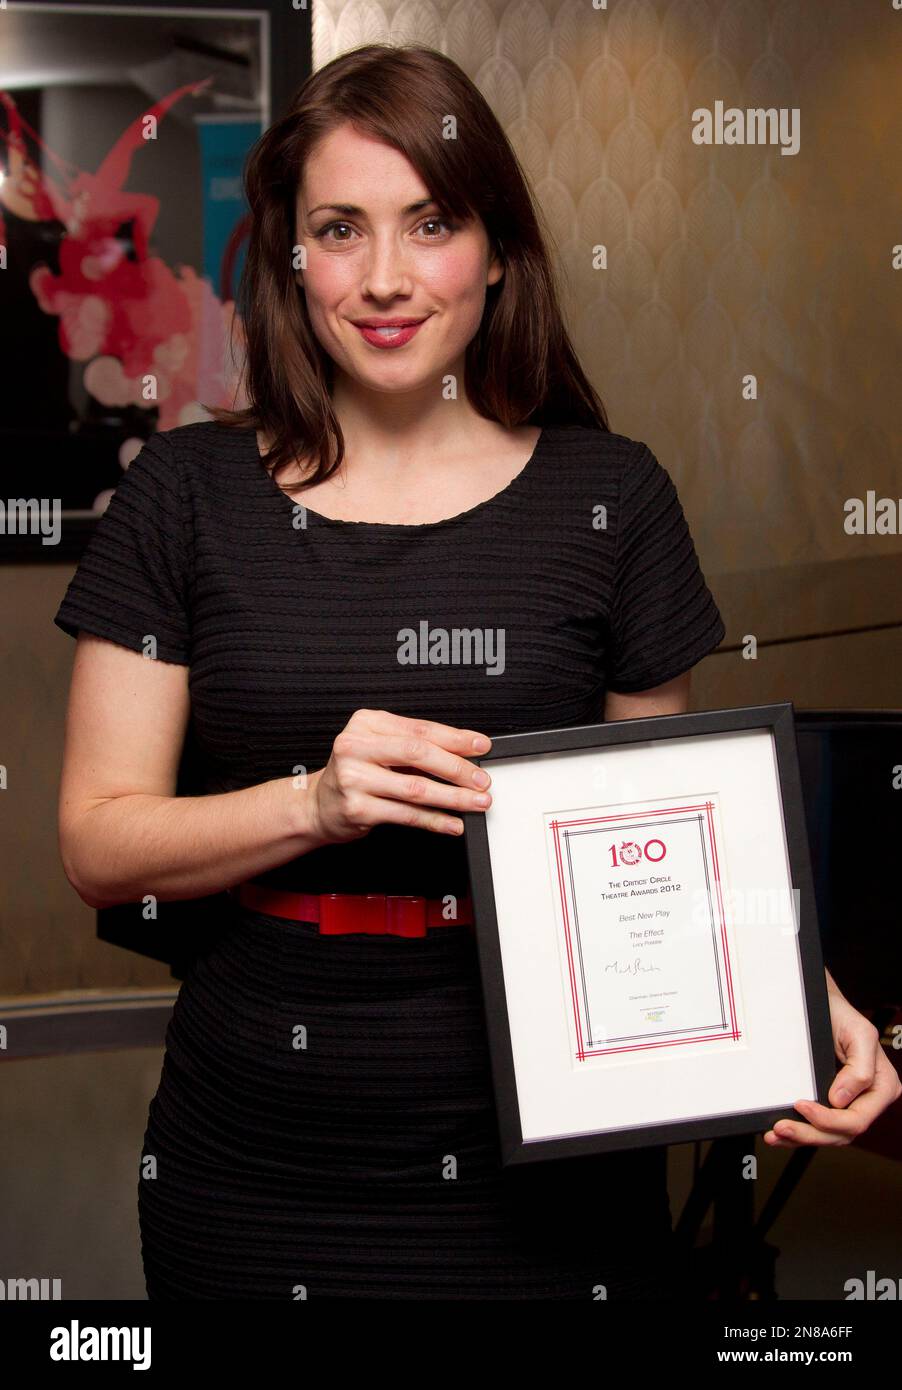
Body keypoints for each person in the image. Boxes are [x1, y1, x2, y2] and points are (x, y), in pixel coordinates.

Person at [54, 44, 900, 1301]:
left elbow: (654, 845)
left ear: (497, 249)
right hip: (258, 1144)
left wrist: (782, 988)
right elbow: (97, 841)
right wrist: (312, 801)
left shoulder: (609, 496)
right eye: (339, 229)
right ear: (292, 257)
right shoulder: (183, 497)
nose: (385, 278)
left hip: (550, 1153)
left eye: (431, 223)